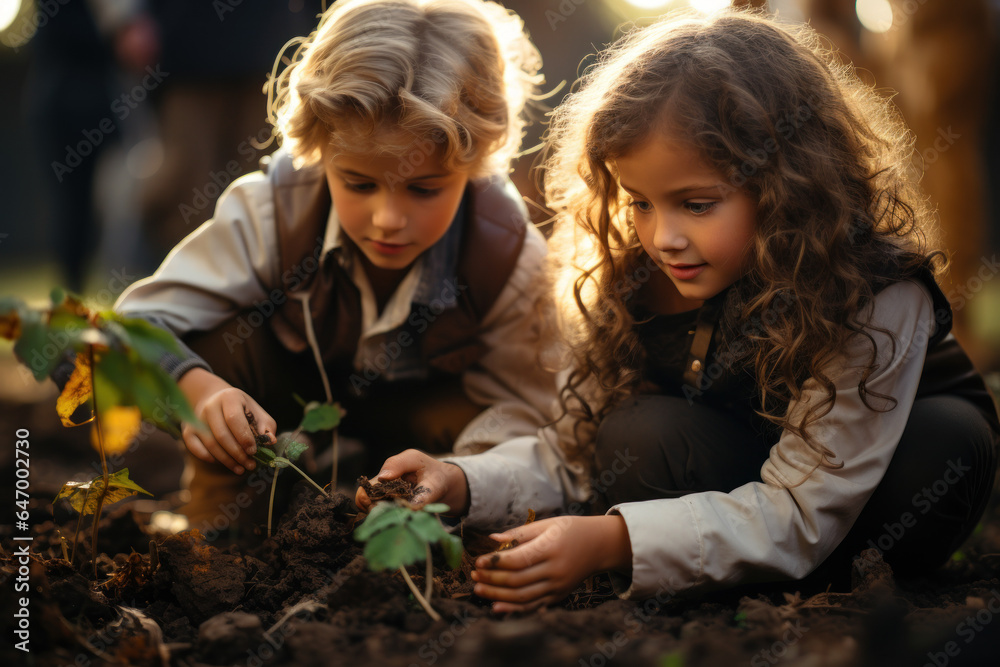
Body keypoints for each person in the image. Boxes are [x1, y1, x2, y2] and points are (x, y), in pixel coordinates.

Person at [358, 9, 1000, 612]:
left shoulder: (873, 293)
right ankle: (736, 561)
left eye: (696, 204)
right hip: (751, 473)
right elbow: (572, 455)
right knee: (635, 435)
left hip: (868, 493)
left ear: (785, 187)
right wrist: (459, 479)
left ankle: (833, 585)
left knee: (944, 446)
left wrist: (614, 541)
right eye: (640, 202)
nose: (662, 236)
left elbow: (805, 509)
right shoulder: (639, 279)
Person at [114, 0, 558, 532]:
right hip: (284, 413)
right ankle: (228, 515)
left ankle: (405, 507)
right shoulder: (274, 212)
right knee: (220, 345)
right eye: (359, 183)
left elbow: (538, 420)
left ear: (477, 161)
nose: (388, 218)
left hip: (424, 434)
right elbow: (131, 328)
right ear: (320, 150)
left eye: (424, 188)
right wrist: (198, 390)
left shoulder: (507, 256)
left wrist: (462, 474)